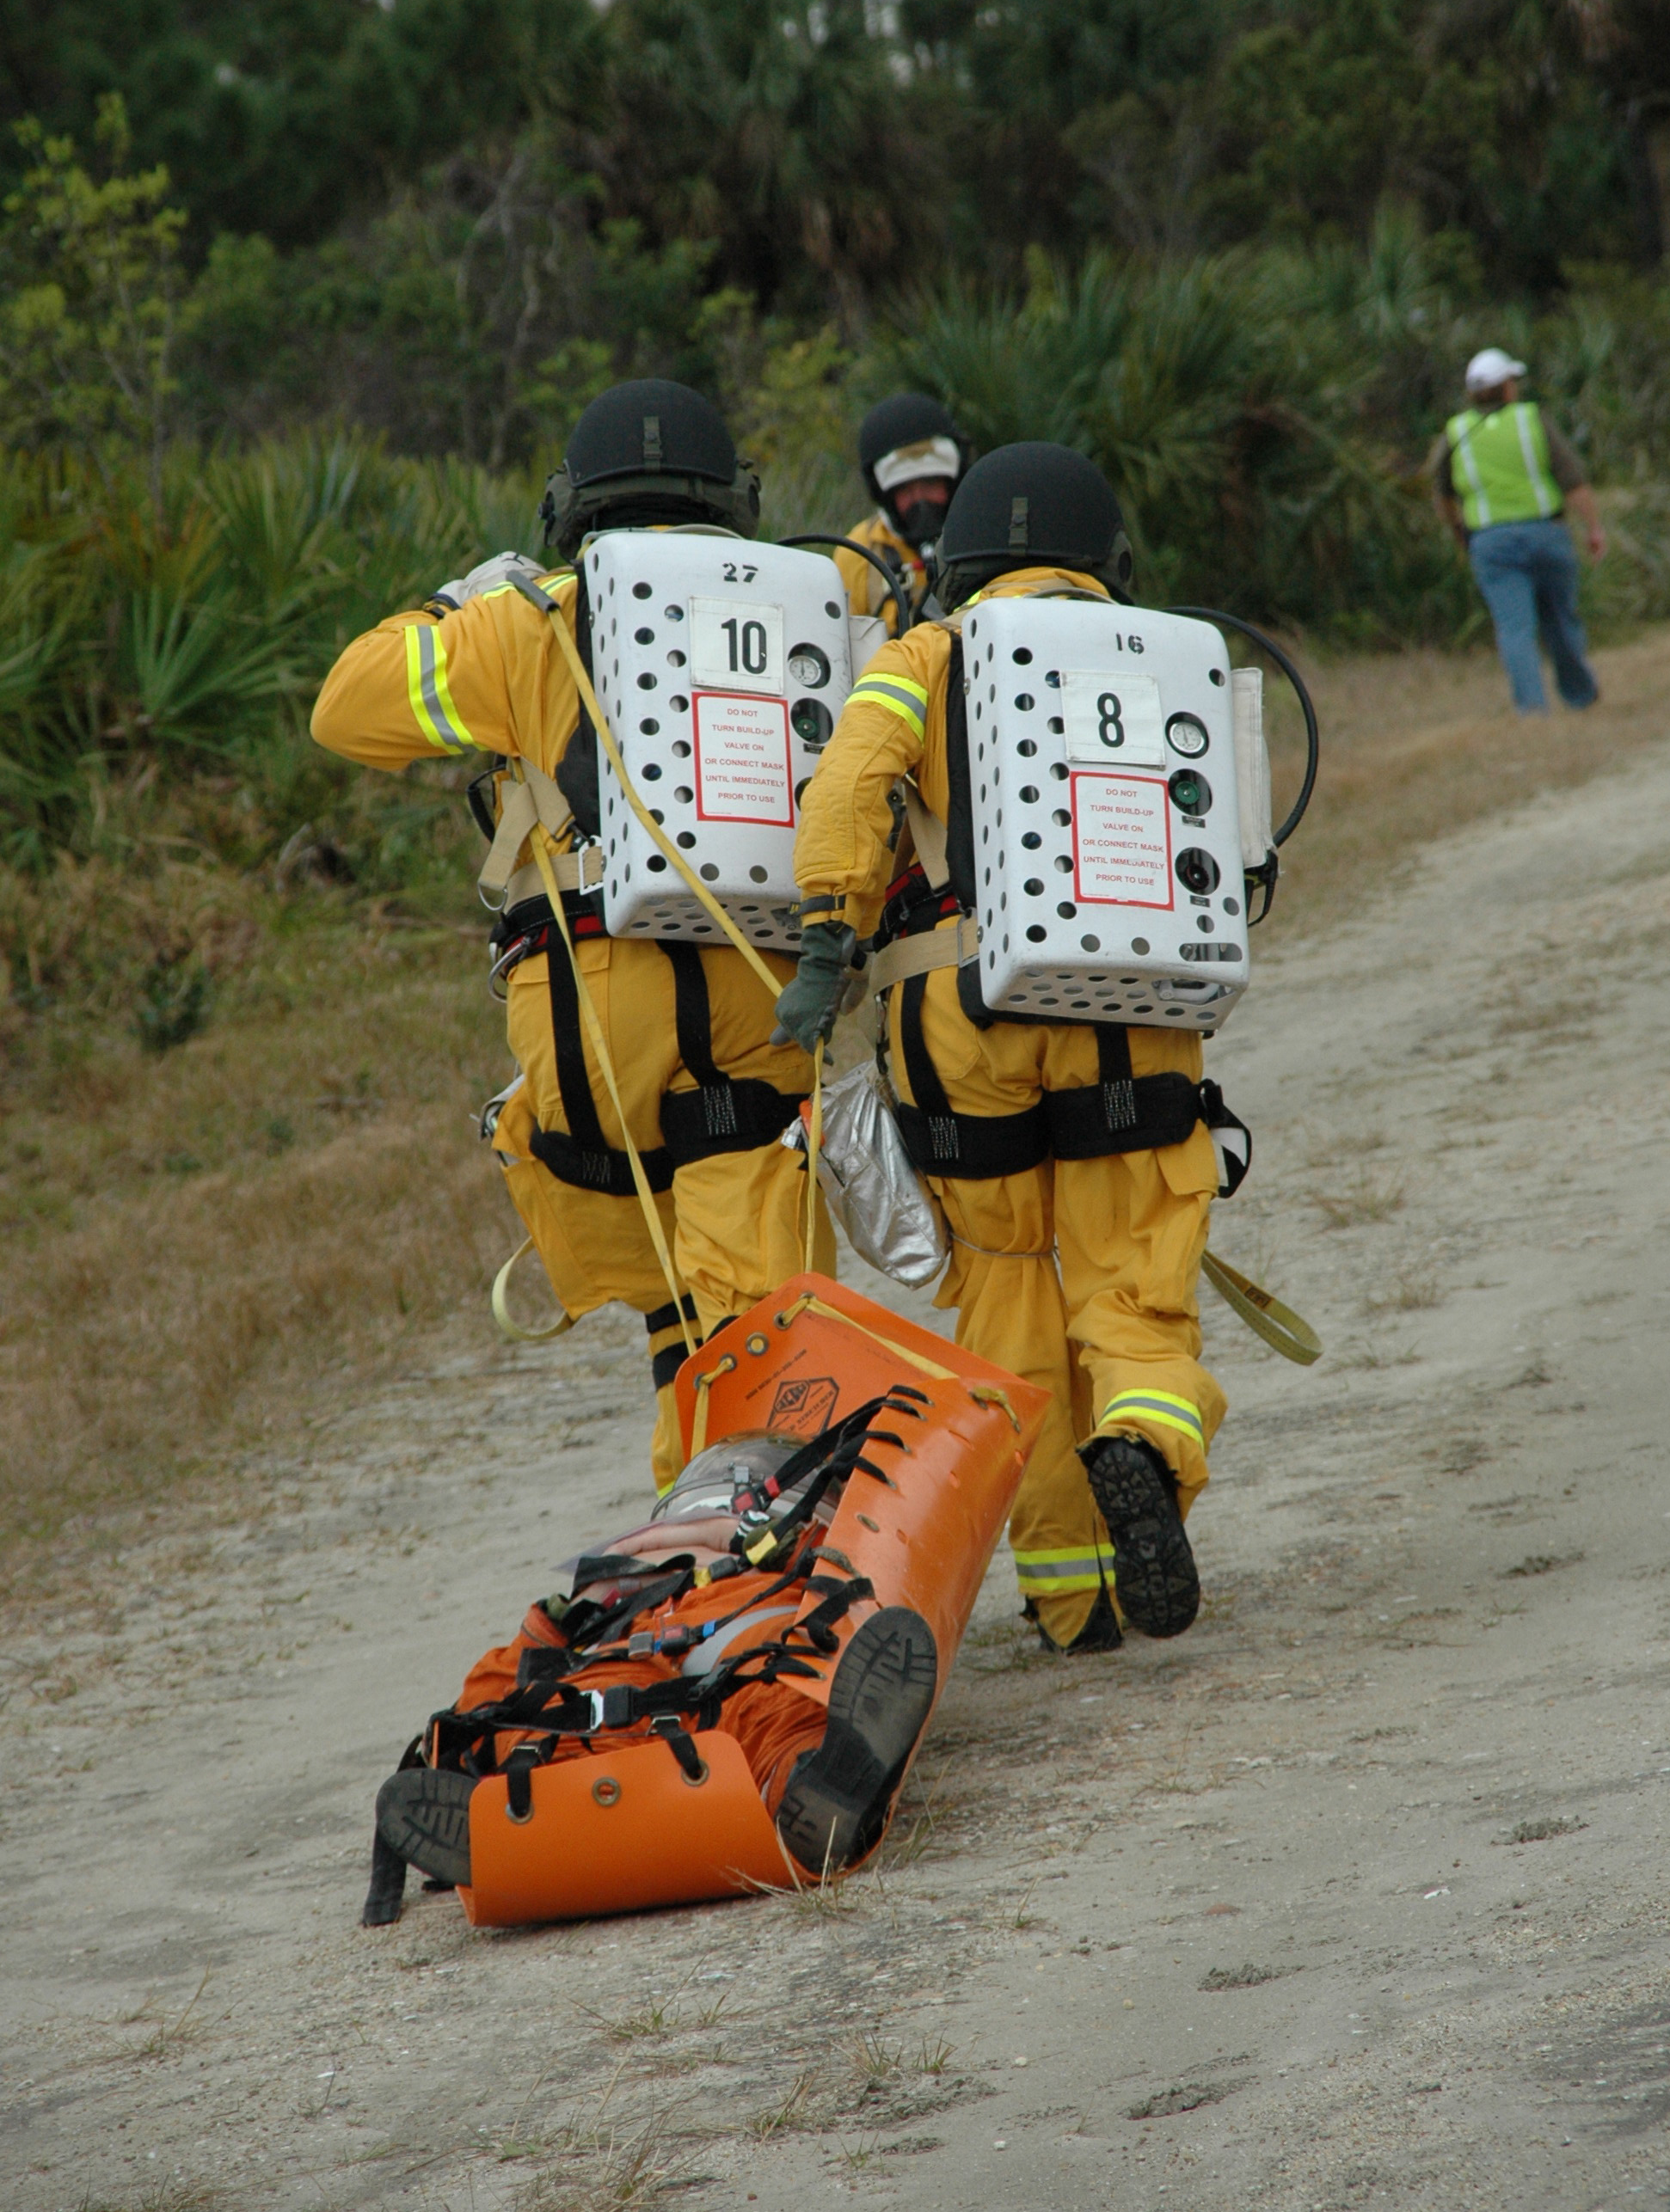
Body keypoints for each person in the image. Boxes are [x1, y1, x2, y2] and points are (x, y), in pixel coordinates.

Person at [310, 381, 831, 1494]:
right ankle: (757, 1532)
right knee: (753, 1304)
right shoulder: (804, 607)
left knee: (671, 1309)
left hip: (581, 1021)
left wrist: (453, 603)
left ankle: (693, 1534)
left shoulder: (523, 620)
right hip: (751, 993)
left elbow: (345, 707)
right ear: (731, 498)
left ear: (571, 508)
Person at [771, 443, 1228, 1655]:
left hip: (957, 1018)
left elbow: (851, 782)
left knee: (1007, 1293)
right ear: (1106, 558)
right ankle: (1141, 1445)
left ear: (958, 561)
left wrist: (829, 934)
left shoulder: (923, 656)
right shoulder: (1173, 649)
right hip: (1134, 1016)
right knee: (1134, 1280)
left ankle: (1073, 1599)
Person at [1429, 348, 1607, 714]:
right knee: (1561, 617)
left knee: (1514, 628)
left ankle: (1532, 709)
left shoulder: (1455, 432)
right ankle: (1579, 696)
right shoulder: (1532, 420)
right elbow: (1573, 481)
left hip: (1491, 542)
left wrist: (1459, 532)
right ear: (1506, 388)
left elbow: (1443, 498)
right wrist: (1593, 527)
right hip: (1546, 532)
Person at [840, 394, 967, 634]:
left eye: (930, 483)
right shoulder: (858, 554)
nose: (920, 499)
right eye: (905, 489)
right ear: (884, 495)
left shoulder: (983, 538)